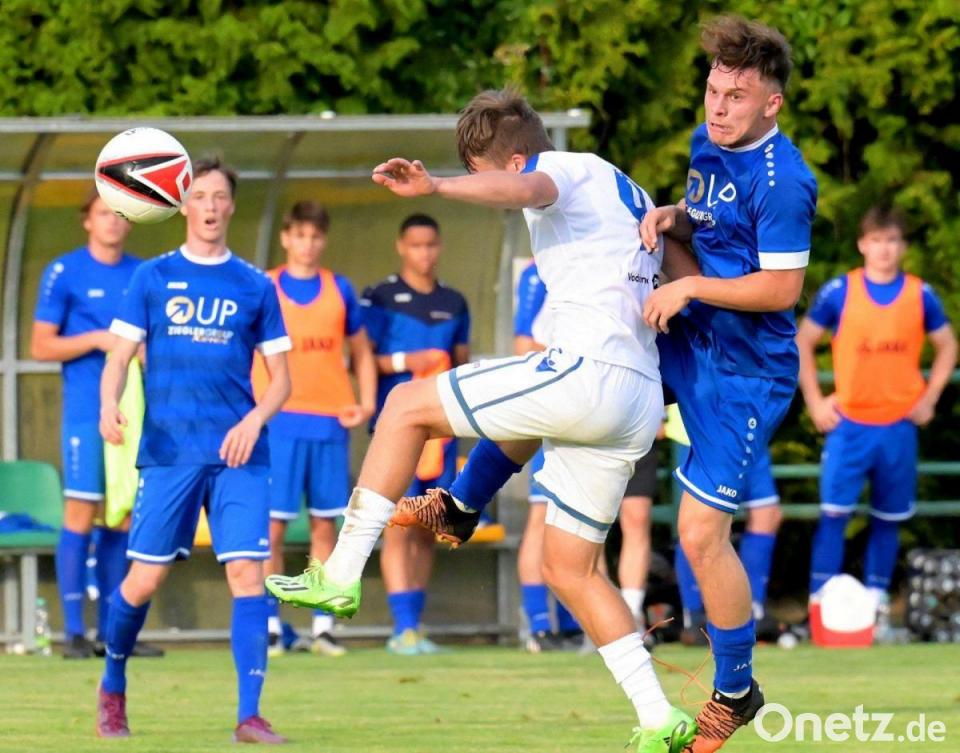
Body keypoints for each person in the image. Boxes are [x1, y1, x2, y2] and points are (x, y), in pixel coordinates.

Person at [269, 88, 700, 752]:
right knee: (571, 567)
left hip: (588, 371)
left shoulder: (560, 170)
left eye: (481, 173)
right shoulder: (627, 192)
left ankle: (342, 571)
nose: (485, 186)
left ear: (515, 159)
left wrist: (437, 186)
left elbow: (528, 187)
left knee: (404, 406)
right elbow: (684, 275)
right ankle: (658, 715)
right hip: (637, 399)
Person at [637, 16, 817, 750]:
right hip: (694, 338)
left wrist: (688, 286)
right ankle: (464, 498)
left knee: (700, 534)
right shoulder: (705, 142)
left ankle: (735, 691)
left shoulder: (785, 181)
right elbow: (708, 223)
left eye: (736, 96)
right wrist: (672, 217)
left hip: (746, 374)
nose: (718, 106)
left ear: (771, 104)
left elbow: (779, 288)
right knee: (592, 390)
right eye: (713, 90)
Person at [95, 157, 292, 743]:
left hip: (238, 455)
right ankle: (112, 684)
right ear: (181, 204)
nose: (210, 206)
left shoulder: (255, 285)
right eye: (200, 195)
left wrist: (255, 420)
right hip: (170, 452)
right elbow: (118, 358)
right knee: (144, 581)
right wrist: (108, 405)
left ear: (231, 206)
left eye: (220, 196)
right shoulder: (151, 277)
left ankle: (249, 716)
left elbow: (282, 380)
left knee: (248, 575)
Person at [797, 206, 957, 635]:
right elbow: (803, 340)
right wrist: (815, 401)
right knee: (834, 515)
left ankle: (877, 609)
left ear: (902, 247)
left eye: (892, 241)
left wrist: (930, 397)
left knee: (888, 518)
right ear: (862, 244)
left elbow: (947, 346)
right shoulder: (839, 291)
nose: (884, 249)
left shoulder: (921, 295)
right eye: (876, 240)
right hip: (849, 425)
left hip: (898, 426)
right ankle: (819, 611)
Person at [31, 193, 162, 660]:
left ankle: (114, 631)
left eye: (120, 215)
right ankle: (73, 632)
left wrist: (144, 353)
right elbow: (41, 346)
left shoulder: (144, 273)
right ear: (87, 220)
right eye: (103, 213)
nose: (112, 222)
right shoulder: (64, 271)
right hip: (87, 411)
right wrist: (96, 339)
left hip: (135, 411)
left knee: (123, 514)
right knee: (81, 510)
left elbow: (157, 340)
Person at [253, 200, 376, 658]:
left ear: (323, 241)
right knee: (273, 527)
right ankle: (270, 625)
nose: (307, 244)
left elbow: (361, 350)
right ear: (286, 238)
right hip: (279, 422)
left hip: (328, 423)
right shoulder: (264, 285)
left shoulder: (339, 289)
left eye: (315, 236)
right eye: (300, 235)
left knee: (327, 524)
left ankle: (322, 626)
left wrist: (366, 403)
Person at [361, 214, 470, 655]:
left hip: (441, 433)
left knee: (429, 525)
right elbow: (364, 360)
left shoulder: (455, 302)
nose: (424, 253)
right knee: (397, 524)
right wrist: (409, 360)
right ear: (401, 247)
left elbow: (462, 364)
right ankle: (402, 627)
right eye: (416, 245)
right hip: (396, 431)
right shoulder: (380, 297)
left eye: (431, 245)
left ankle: (416, 626)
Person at [512, 261, 582, 652]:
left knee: (579, 518)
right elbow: (523, 345)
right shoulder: (539, 271)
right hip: (552, 411)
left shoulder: (594, 261)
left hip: (587, 413)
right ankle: (537, 623)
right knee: (541, 516)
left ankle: (572, 623)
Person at [673, 448, 782, 644]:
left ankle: (753, 609)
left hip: (750, 437)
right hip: (704, 440)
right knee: (703, 523)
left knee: (768, 515)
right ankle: (695, 616)